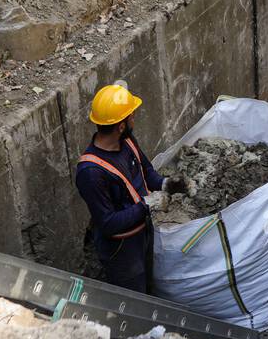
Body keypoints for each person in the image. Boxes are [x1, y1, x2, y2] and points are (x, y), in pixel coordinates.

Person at [74, 84, 185, 292]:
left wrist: (165, 184)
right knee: (135, 294)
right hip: (121, 250)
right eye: (132, 116)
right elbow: (107, 223)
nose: (135, 119)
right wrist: (147, 204)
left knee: (151, 283)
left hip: (143, 232)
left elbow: (146, 172)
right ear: (121, 125)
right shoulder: (91, 172)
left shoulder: (126, 142)